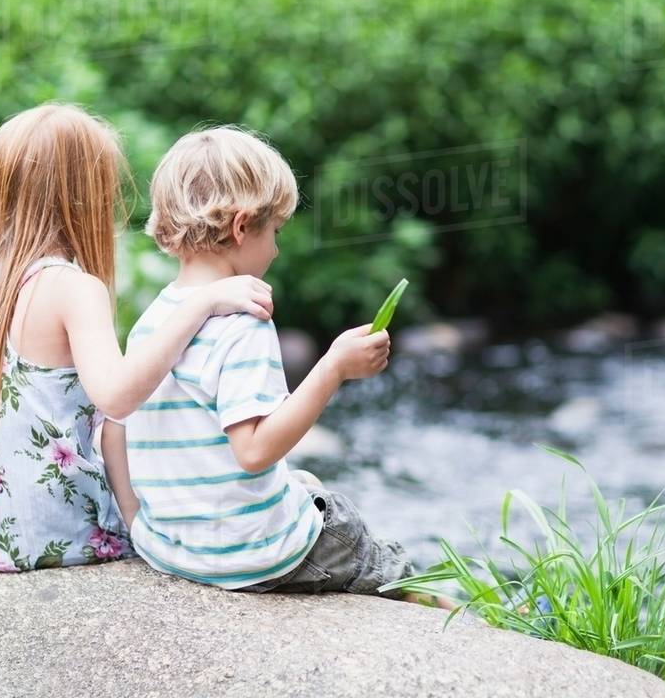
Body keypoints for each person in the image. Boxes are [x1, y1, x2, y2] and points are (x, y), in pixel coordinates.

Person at [108, 125, 452, 608]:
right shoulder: (243, 325)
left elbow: (116, 430)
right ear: (242, 226)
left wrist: (137, 523)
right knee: (358, 538)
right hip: (249, 556)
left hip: (171, 549)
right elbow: (253, 452)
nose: (276, 249)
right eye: (276, 231)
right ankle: (465, 610)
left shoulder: (154, 321)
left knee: (303, 483)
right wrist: (333, 368)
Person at [0, 104, 272, 572]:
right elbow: (117, 398)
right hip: (65, 534)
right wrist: (203, 303)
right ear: (82, 198)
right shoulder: (72, 288)